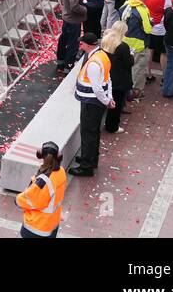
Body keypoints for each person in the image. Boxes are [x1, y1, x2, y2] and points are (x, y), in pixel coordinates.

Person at [70, 32, 113, 177]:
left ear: (89, 45)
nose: (80, 45)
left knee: (88, 132)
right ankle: (90, 158)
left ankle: (86, 166)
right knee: (93, 132)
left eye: (82, 43)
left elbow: (97, 87)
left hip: (91, 102)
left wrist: (107, 101)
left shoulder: (94, 63)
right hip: (96, 102)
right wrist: (109, 98)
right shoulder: (102, 56)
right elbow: (108, 79)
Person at [16, 141, 67, 238]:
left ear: (43, 157)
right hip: (52, 224)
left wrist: (17, 200)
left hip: (36, 227)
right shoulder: (61, 172)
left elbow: (30, 199)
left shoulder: (44, 181)